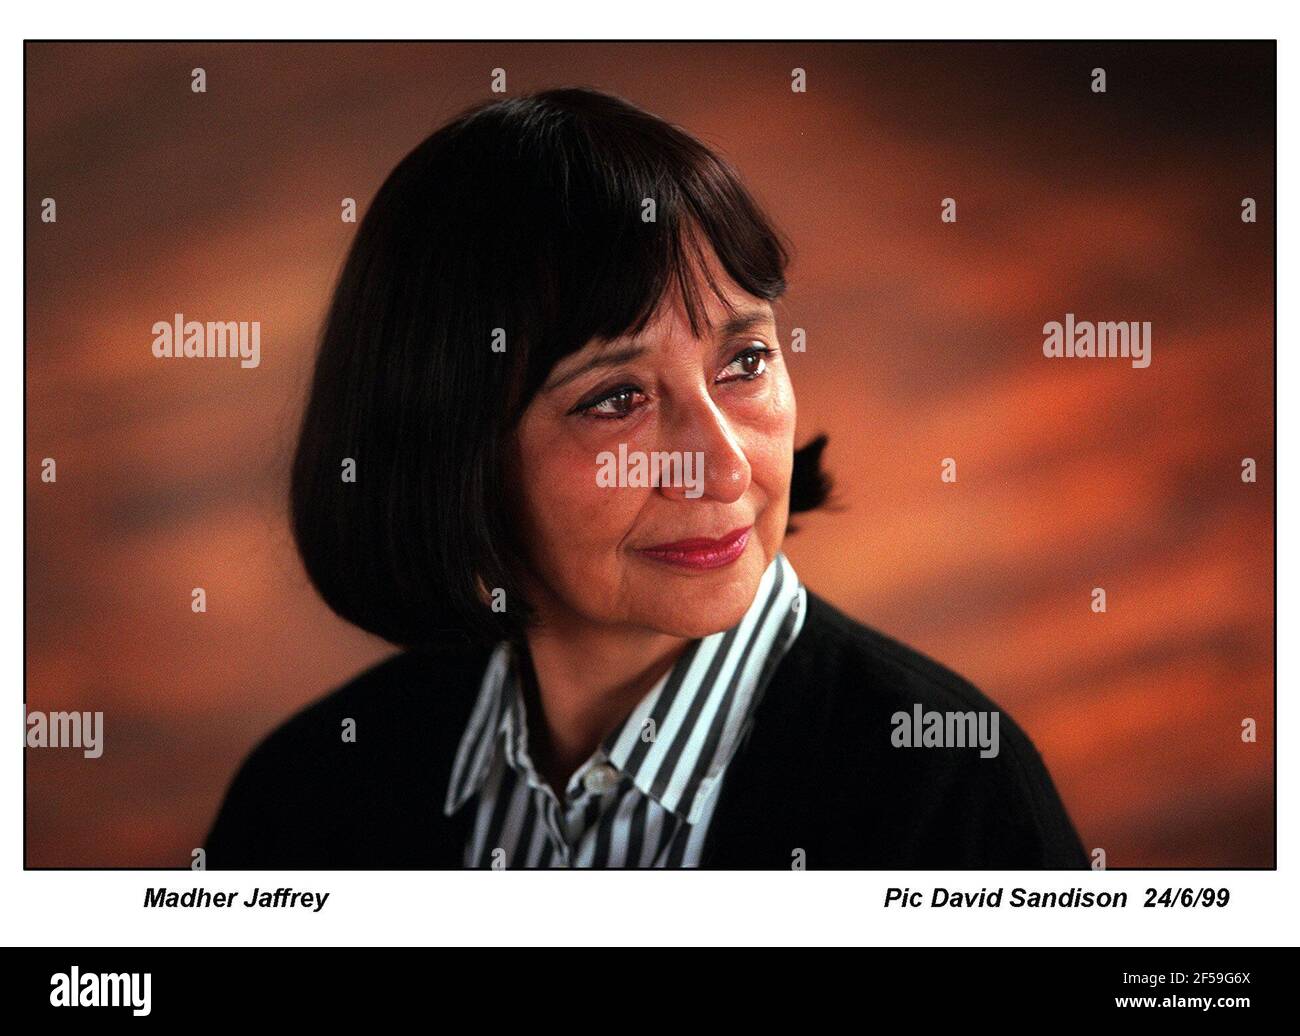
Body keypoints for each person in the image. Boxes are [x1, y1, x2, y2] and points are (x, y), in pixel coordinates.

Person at [206, 88, 1087, 869]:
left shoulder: (952, 803)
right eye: (617, 396)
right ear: (450, 451)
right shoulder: (306, 795)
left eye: (745, 361)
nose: (724, 464)